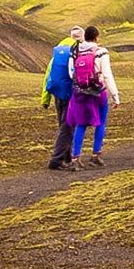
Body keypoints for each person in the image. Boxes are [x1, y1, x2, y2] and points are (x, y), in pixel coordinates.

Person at [66, 25, 120, 169]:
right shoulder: (101, 52)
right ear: (97, 37)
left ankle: (75, 158)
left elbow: (72, 73)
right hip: (98, 92)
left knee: (81, 124)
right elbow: (107, 75)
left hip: (80, 93)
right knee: (100, 123)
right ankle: (96, 155)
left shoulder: (75, 51)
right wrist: (115, 96)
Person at [42, 25, 85, 169]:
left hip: (57, 92)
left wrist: (45, 98)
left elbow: (48, 76)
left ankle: (66, 158)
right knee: (67, 127)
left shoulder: (59, 51)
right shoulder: (76, 51)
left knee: (63, 125)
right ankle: (56, 160)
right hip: (70, 93)